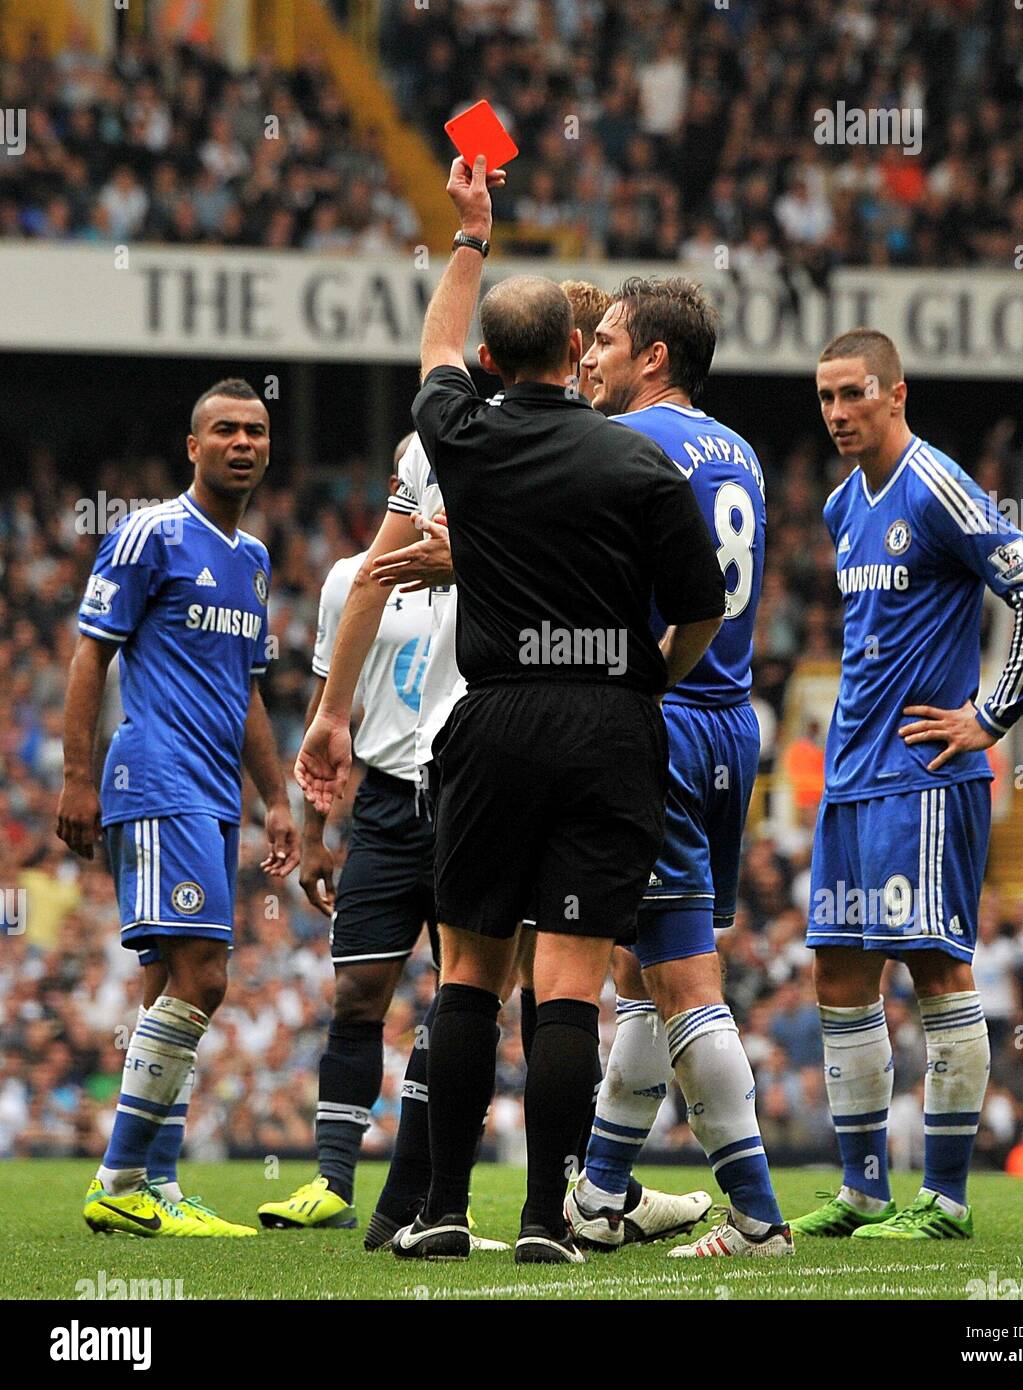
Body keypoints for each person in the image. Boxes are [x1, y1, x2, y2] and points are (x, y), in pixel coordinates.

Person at [298, 156, 727, 1263]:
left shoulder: (465, 437)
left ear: (498, 360)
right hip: (607, 723)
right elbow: (702, 609)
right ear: (579, 355)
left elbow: (436, 350)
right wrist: (649, 681)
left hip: (491, 722)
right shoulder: (640, 466)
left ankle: (443, 1210)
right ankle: (547, 1220)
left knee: (467, 977)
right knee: (571, 987)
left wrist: (472, 234)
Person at [794, 329, 1023, 1240]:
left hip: (925, 774)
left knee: (935, 966)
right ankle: (864, 1188)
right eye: (826, 397)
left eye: (853, 395)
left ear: (896, 393)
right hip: (849, 773)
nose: (838, 413)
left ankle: (946, 1198)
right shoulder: (842, 507)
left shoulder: (938, 484)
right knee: (839, 971)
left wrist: (988, 717)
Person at [563, 277, 792, 1259]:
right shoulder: (738, 450)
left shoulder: (629, 446)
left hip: (659, 718)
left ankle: (756, 1216)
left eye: (606, 342)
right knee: (652, 965)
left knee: (685, 977)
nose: (590, 358)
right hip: (731, 724)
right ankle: (603, 1188)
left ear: (654, 357)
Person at [58, 378, 300, 1237]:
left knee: (168, 983)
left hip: (213, 793)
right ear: (193, 445)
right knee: (203, 978)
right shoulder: (150, 533)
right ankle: (122, 1177)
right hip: (158, 778)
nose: (243, 443)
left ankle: (151, 1188)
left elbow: (248, 691)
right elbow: (91, 658)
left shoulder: (255, 558)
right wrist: (77, 776)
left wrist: (276, 797)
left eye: (257, 431)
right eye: (226, 430)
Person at [255, 435, 441, 1231]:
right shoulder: (348, 581)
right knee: (358, 992)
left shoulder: (502, 557)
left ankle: (440, 1185)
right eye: (407, 471)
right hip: (388, 807)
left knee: (470, 993)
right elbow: (326, 715)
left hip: (476, 800)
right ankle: (332, 1183)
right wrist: (315, 830)